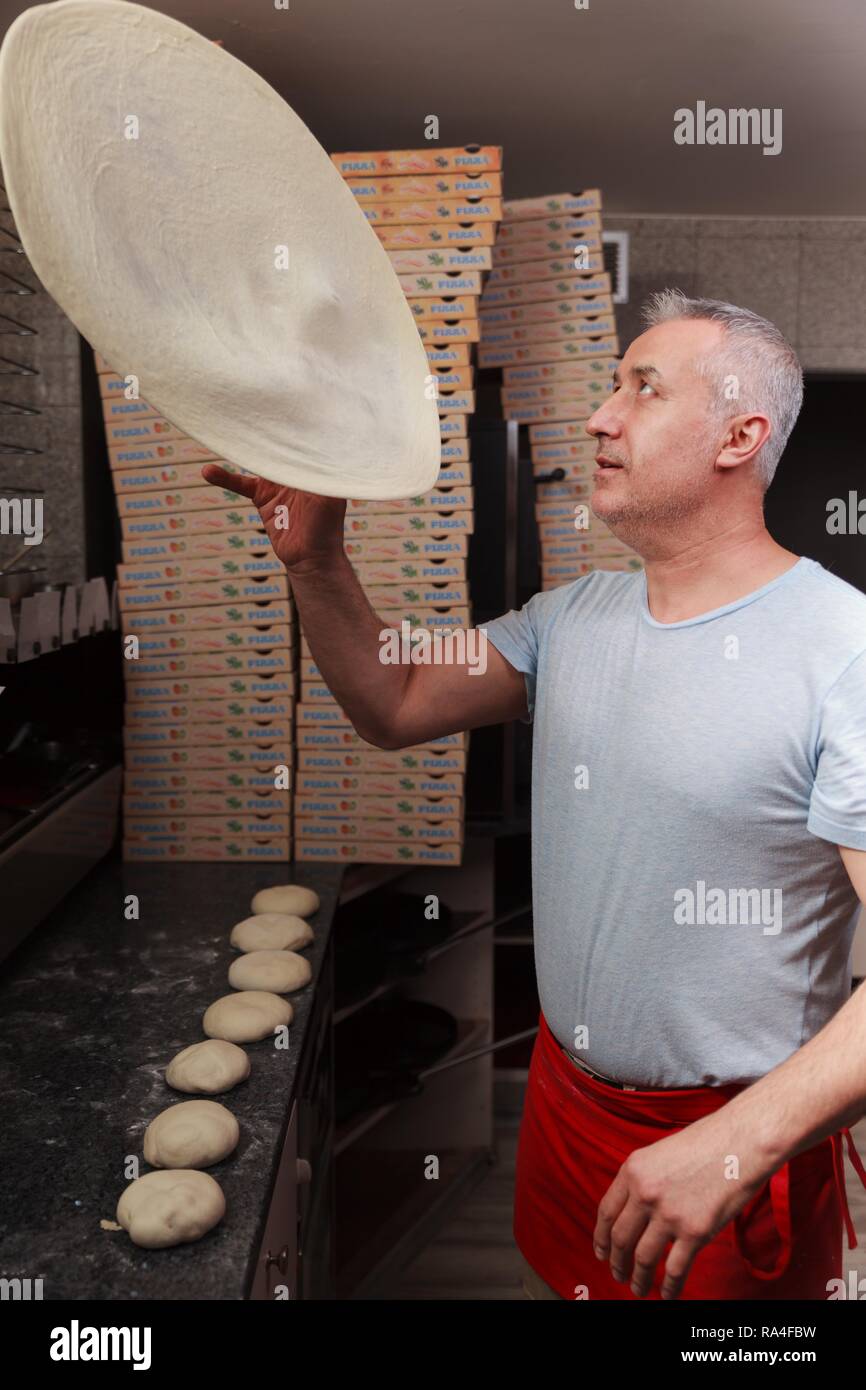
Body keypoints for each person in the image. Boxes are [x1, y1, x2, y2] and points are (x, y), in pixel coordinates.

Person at [203, 290, 866, 1301]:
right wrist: (318, 562)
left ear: (739, 433)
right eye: (609, 386)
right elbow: (393, 698)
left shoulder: (841, 650)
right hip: (568, 1104)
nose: (600, 416)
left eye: (640, 388)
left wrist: (735, 1143)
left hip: (731, 1146)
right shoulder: (570, 618)